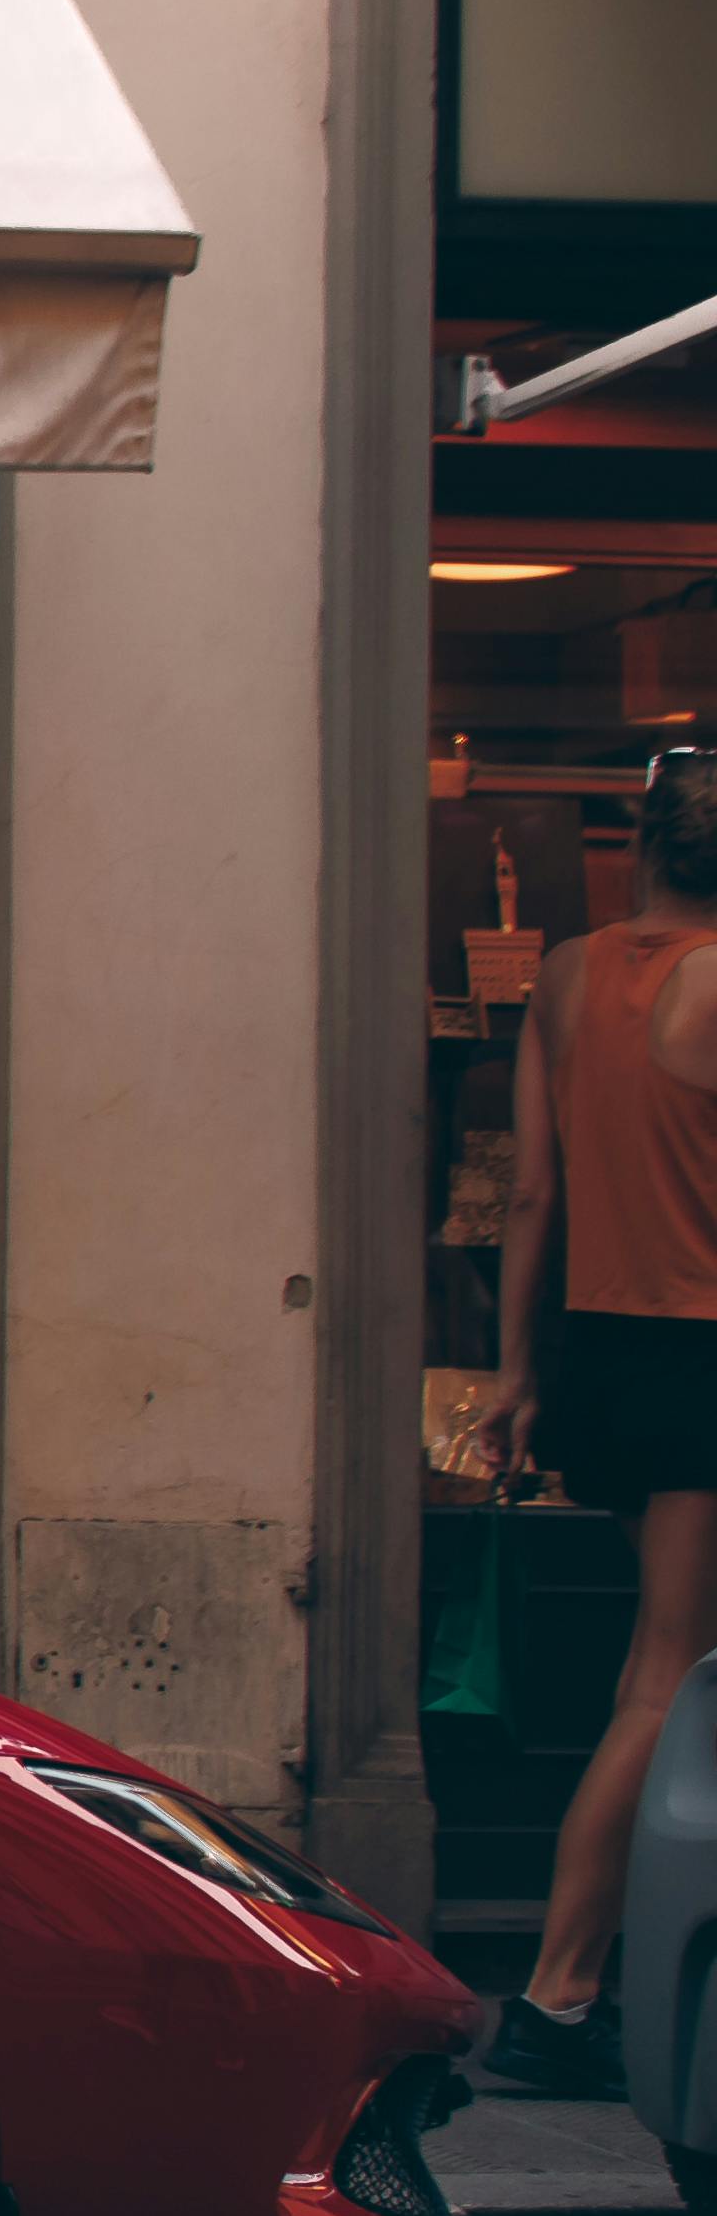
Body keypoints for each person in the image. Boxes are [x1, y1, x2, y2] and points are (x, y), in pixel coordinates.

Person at [458, 747, 717, 2098]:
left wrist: (516, 1374)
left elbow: (530, 1198)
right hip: (699, 1347)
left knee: (665, 1673)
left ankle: (598, 1977)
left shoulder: (564, 976)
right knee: (666, 1682)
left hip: (607, 1347)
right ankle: (562, 1994)